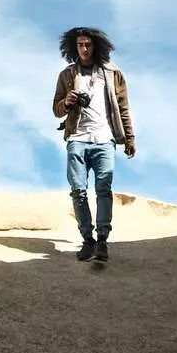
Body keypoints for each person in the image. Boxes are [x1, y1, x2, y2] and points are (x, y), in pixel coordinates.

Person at [52, 26, 136, 262]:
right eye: (80, 45)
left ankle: (102, 241)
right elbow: (56, 110)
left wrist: (129, 138)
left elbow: (123, 108)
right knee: (78, 191)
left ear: (96, 46)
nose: (84, 48)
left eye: (88, 44)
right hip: (77, 139)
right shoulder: (67, 75)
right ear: (73, 47)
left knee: (103, 190)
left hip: (104, 139)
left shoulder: (112, 73)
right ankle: (87, 240)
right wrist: (67, 102)